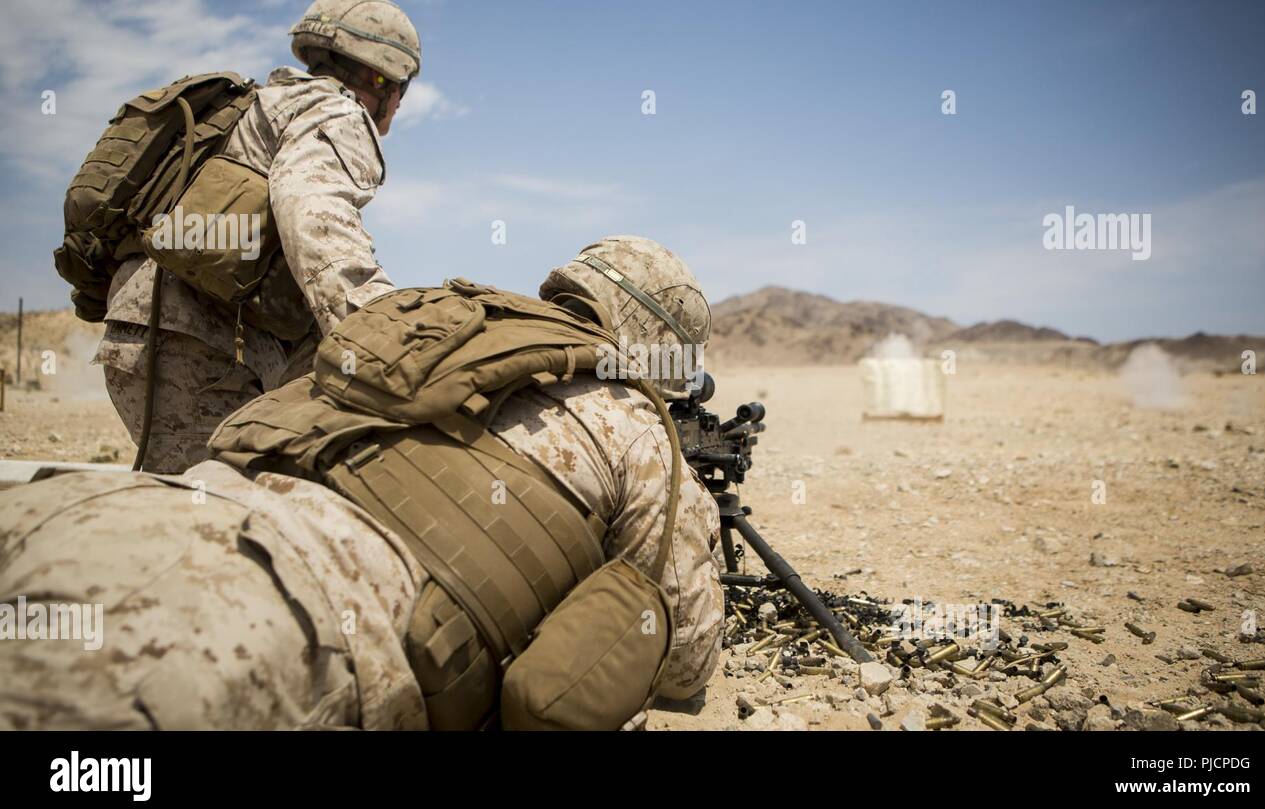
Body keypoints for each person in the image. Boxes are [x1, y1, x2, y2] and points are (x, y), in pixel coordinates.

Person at [0, 236, 724, 730]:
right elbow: (683, 660)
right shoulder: (637, 422)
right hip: (269, 622)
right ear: (661, 348)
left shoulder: (425, 324)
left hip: (112, 511)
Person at [92, 0, 420, 473]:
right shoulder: (335, 113)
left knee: (202, 503)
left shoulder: (263, 105)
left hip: (153, 333)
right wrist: (386, 340)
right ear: (382, 81)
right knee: (215, 520)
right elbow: (314, 218)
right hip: (197, 350)